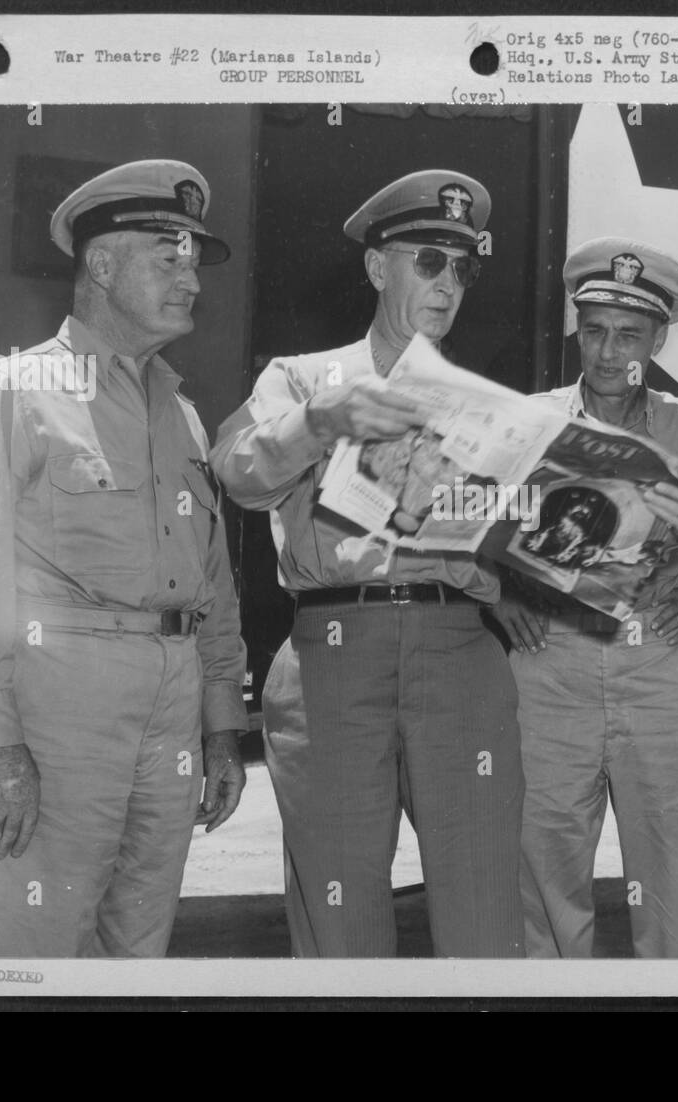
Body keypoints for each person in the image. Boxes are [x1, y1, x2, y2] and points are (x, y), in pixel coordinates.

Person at [210, 170, 525, 958]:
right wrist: (322, 422)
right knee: (340, 910)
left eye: (464, 269)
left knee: (484, 910)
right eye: (430, 262)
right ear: (378, 267)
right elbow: (238, 473)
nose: (450, 285)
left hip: (461, 654)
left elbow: (512, 546)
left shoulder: (489, 402)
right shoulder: (301, 378)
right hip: (332, 656)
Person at [0, 160, 249, 958]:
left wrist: (223, 726)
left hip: (172, 708)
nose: (191, 276)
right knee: (26, 944)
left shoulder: (182, 415)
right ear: (102, 265)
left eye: (193, 259)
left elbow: (211, 587)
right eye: (169, 255)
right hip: (57, 713)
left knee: (137, 950)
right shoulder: (15, 391)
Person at [489, 237, 678, 958]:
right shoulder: (524, 426)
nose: (607, 352)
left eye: (629, 334)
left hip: (656, 667)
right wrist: (497, 592)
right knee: (543, 877)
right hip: (548, 670)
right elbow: (461, 530)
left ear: (658, 339)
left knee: (672, 878)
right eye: (593, 330)